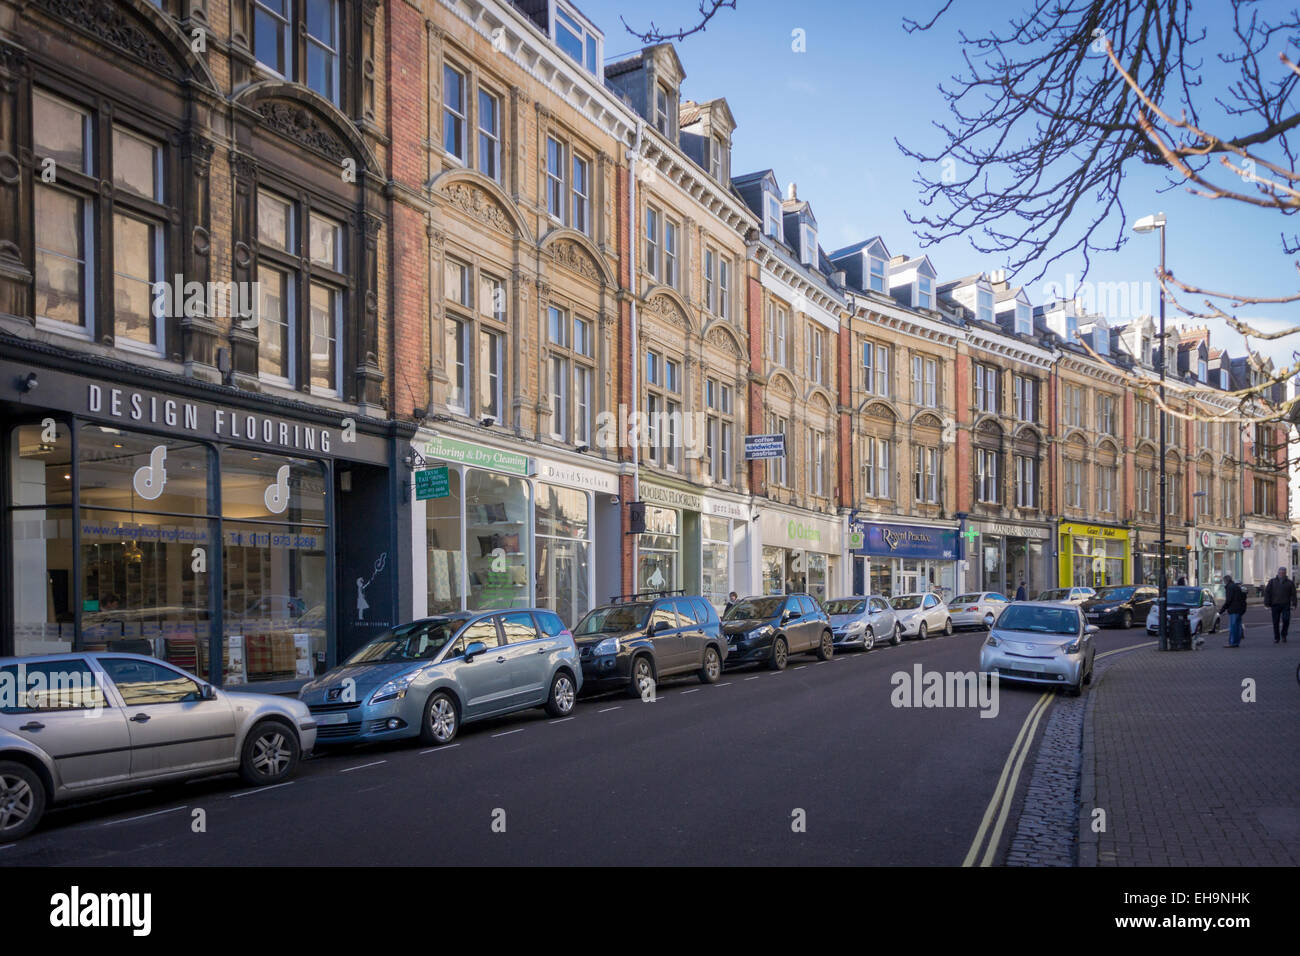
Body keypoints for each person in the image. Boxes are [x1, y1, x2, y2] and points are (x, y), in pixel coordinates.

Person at [1263, 566, 1297, 643]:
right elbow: (1267, 593)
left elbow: (1293, 594)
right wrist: (1266, 603)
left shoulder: (1290, 582)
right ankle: (1276, 637)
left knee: (1286, 620)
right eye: (1280, 572)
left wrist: (1294, 604)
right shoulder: (1272, 581)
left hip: (1286, 605)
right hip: (1275, 604)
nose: (1281, 574)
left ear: (1285, 574)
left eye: (1283, 573)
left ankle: (1284, 635)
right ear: (1277, 573)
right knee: (1275, 622)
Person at [1222, 574, 1247, 648]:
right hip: (1240, 609)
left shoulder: (1230, 587)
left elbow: (1228, 600)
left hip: (1233, 609)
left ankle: (1232, 643)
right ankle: (1236, 642)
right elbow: (1243, 598)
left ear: (1225, 581)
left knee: (1233, 627)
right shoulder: (1237, 587)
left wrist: (1222, 610)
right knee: (1237, 626)